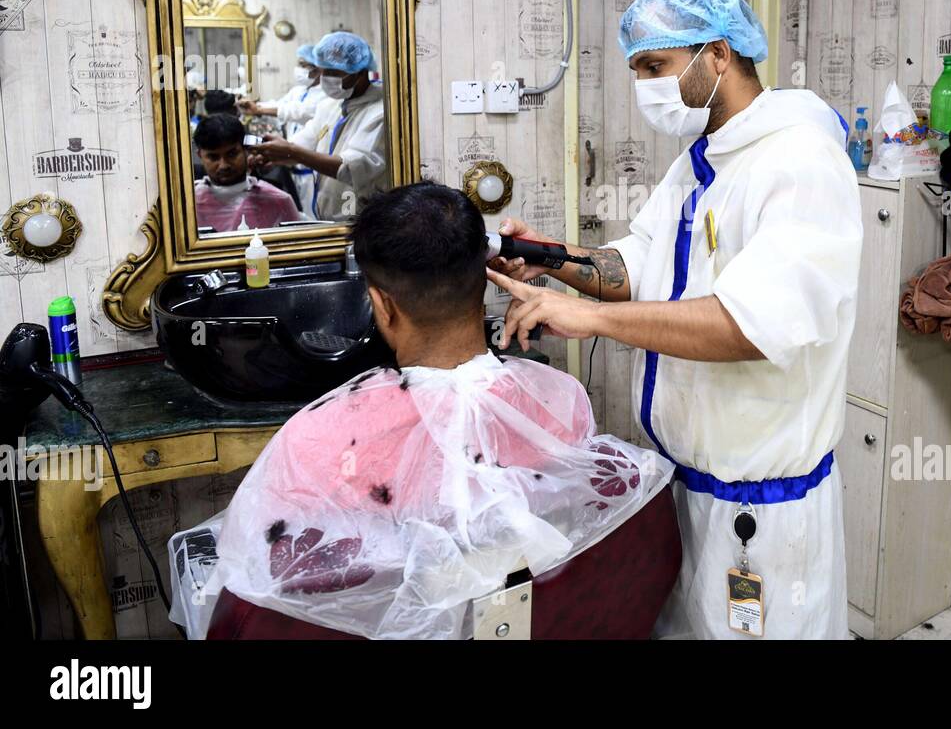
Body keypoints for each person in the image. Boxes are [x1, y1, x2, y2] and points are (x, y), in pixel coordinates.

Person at [487, 0, 863, 639]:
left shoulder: (800, 163)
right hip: (685, 486)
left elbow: (750, 324)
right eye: (637, 69)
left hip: (761, 514)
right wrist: (549, 258)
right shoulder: (698, 164)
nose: (644, 88)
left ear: (718, 54)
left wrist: (590, 319)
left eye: (655, 66)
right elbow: (634, 268)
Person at [192, 183, 671, 639]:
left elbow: (260, 600)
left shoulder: (315, 439)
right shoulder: (559, 401)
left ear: (381, 303)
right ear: (484, 279)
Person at [249, 31, 387, 222]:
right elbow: (306, 141)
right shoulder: (330, 105)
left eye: (334, 72)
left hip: (364, 220)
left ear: (360, 72)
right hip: (328, 215)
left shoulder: (380, 112)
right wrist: (274, 157)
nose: (326, 78)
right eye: (324, 70)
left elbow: (351, 168)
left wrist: (292, 152)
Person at [241, 43, 323, 209]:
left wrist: (259, 109)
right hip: (291, 164)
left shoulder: (325, 95)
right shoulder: (298, 90)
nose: (298, 69)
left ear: (318, 69)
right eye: (298, 64)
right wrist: (255, 108)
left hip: (310, 168)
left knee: (312, 211)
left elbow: (296, 111)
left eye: (303, 65)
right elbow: (279, 105)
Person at [193, 113, 302, 233]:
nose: (223, 165)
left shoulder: (279, 201)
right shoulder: (189, 206)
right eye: (213, 157)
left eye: (232, 154)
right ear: (200, 156)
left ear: (246, 150)